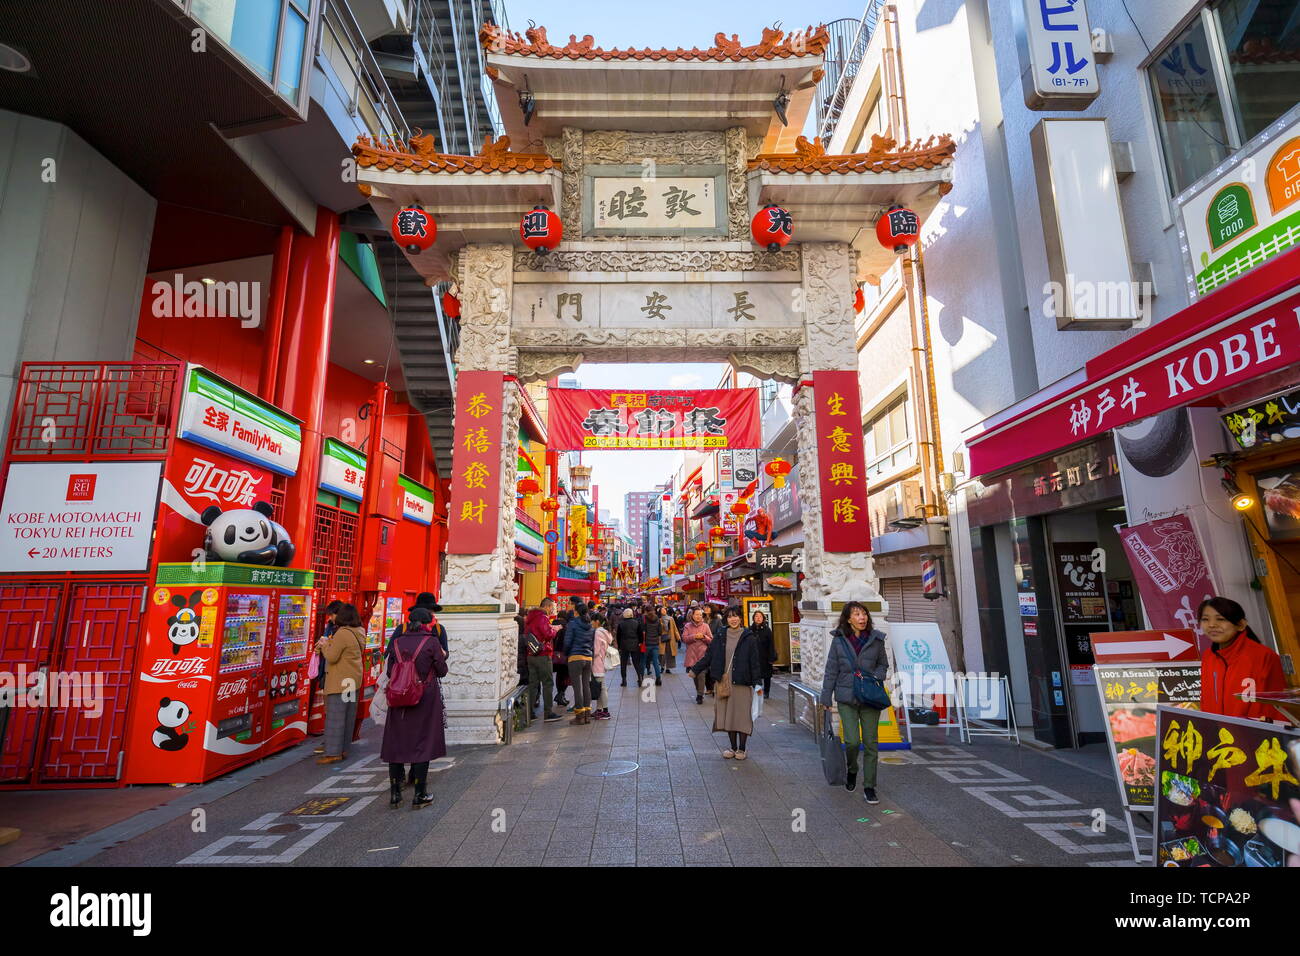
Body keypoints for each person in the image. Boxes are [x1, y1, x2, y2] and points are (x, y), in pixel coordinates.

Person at [820, 601, 888, 804]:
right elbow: (831, 670)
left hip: (869, 697)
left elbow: (883, 664)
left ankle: (869, 786)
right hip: (846, 697)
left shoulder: (876, 640)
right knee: (851, 742)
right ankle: (852, 769)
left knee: (870, 743)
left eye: (864, 614)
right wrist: (826, 697)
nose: (862, 618)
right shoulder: (839, 640)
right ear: (848, 618)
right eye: (857, 614)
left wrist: (877, 676)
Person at [381, 607, 449, 809]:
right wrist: (441, 656)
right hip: (424, 697)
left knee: (397, 742)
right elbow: (441, 671)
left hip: (398, 697)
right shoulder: (431, 642)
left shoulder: (397, 642)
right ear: (427, 624)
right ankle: (419, 793)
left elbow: (389, 669)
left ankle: (395, 794)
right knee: (422, 742)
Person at [1198, 596, 1286, 721]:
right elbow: (1206, 700)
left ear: (1241, 625)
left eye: (1221, 619)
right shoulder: (1208, 656)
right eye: (1205, 619)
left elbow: (1275, 707)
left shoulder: (1264, 656)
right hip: (1218, 735)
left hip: (1253, 734)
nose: (1212, 625)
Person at [690, 606, 762, 759]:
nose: (733, 619)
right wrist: (696, 669)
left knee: (742, 715)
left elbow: (755, 662)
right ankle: (732, 747)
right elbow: (709, 655)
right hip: (724, 681)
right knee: (728, 715)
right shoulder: (721, 634)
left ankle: (742, 749)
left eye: (736, 616)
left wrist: (758, 683)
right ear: (726, 619)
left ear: (741, 618)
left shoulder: (749, 637)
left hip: (743, 681)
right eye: (730, 617)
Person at [314, 603, 365, 764]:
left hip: (340, 680)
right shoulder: (359, 631)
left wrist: (324, 645)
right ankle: (343, 749)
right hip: (353, 680)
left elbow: (332, 657)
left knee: (335, 717)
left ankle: (333, 753)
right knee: (348, 716)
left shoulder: (343, 633)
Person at [524, 598, 563, 723]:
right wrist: (555, 629)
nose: (552, 609)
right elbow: (548, 634)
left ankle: (529, 713)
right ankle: (548, 712)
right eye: (552, 607)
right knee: (547, 683)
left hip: (531, 654)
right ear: (547, 606)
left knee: (533, 683)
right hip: (543, 654)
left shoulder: (530, 618)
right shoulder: (543, 618)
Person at [563, 602, 596, 724]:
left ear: (576, 611)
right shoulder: (590, 626)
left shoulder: (572, 624)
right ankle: (587, 714)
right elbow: (592, 643)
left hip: (575, 657)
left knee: (578, 687)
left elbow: (567, 642)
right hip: (588, 658)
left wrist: (566, 653)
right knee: (586, 685)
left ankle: (580, 716)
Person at [391, 592, 448, 657]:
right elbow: (390, 651)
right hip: (407, 666)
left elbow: (446, 653)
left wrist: (441, 652)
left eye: (429, 611)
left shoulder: (439, 629)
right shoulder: (402, 628)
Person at [681, 606, 714, 705]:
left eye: (700, 614)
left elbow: (711, 640)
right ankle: (699, 691)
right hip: (692, 655)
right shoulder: (687, 626)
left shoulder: (706, 626)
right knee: (695, 676)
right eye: (697, 614)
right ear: (692, 615)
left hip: (703, 655)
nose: (699, 616)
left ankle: (700, 695)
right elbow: (684, 639)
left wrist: (704, 637)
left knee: (701, 675)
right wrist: (694, 636)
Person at [749, 609, 778, 698]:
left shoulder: (767, 630)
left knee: (766, 675)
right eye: (756, 616)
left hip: (765, 656)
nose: (758, 618)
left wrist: (771, 657)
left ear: (763, 619)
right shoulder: (750, 630)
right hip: (753, 656)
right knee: (754, 674)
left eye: (760, 617)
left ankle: (766, 691)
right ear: (753, 618)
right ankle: (756, 690)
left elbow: (771, 644)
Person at [591, 612, 613, 720]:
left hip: (597, 662)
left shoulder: (598, 633)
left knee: (602, 688)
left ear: (597, 622)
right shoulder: (606, 632)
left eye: (592, 621)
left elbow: (595, 650)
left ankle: (605, 711)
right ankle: (599, 710)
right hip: (602, 662)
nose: (591, 623)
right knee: (600, 687)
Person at [616, 607, 644, 686]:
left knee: (623, 663)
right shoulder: (636, 622)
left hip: (624, 645)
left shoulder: (621, 624)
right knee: (636, 663)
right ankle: (640, 677)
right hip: (635, 644)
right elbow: (640, 634)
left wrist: (619, 646)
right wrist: (640, 642)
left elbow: (618, 636)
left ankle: (624, 680)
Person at [641, 605, 663, 686]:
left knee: (643, 661)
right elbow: (660, 631)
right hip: (655, 643)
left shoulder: (644, 619)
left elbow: (642, 630)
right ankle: (658, 678)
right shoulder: (657, 619)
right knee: (655, 662)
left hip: (646, 643)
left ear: (646, 611)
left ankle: (641, 678)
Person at [659, 606, 681, 674]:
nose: (664, 611)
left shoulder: (671, 618)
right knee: (662, 654)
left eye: (664, 610)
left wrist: (678, 637)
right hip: (662, 638)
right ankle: (662, 667)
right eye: (662, 610)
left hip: (670, 638)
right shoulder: (659, 619)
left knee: (670, 653)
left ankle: (668, 668)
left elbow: (674, 628)